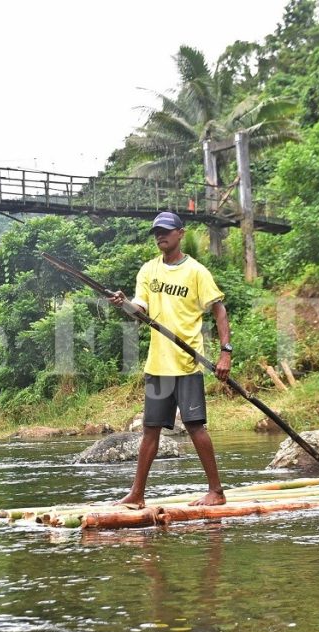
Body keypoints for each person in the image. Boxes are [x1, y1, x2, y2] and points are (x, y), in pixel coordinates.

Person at [107, 211, 232, 507]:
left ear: (180, 233)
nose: (160, 236)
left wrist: (225, 353)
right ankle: (137, 494)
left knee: (194, 426)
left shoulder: (197, 272)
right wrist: (123, 304)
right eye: (156, 232)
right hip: (158, 365)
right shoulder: (148, 271)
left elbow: (219, 311)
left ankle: (216, 491)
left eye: (165, 231)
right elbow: (140, 310)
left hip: (187, 363)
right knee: (150, 429)